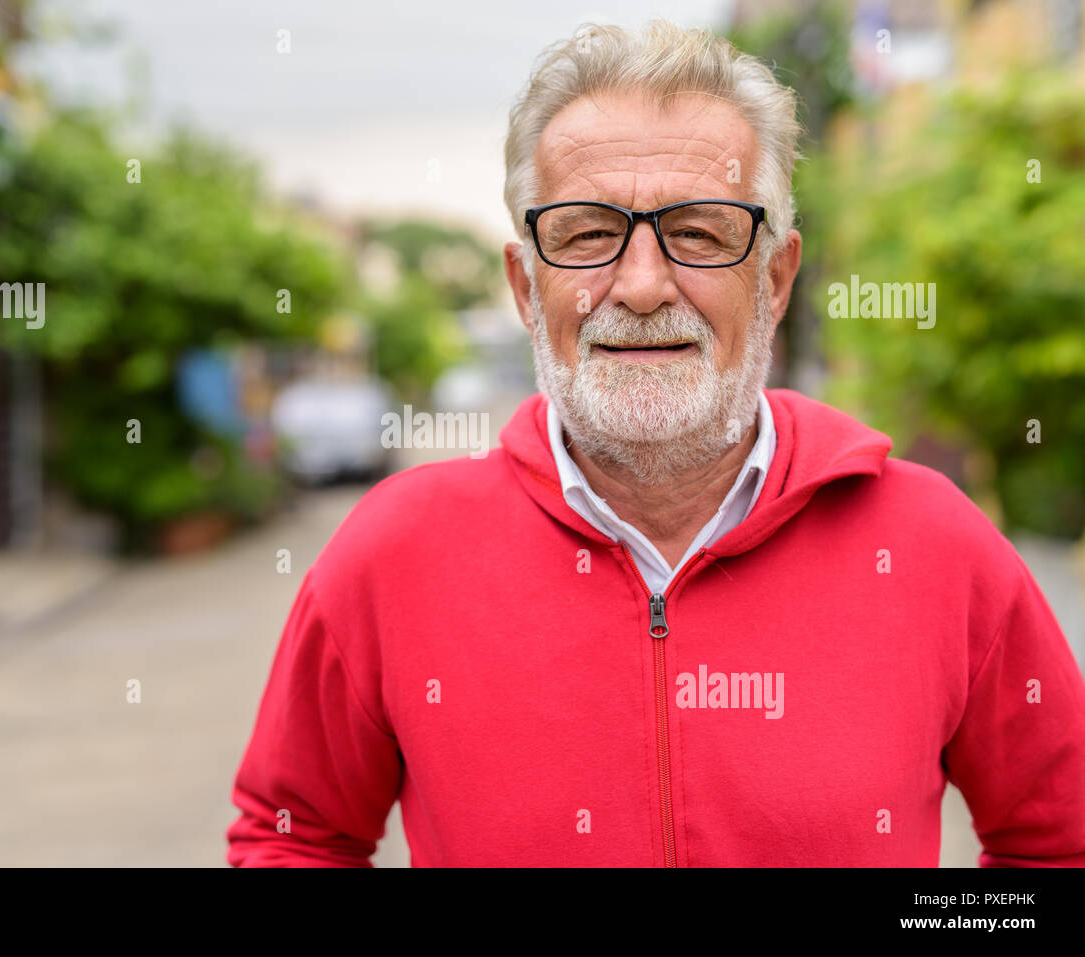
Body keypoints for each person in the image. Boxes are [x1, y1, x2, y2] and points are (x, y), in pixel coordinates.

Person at [227, 20, 1085, 866]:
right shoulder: (394, 553)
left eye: (703, 232)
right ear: (527, 286)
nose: (640, 286)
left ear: (775, 280)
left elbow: (1061, 842)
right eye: (588, 233)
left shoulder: (932, 543)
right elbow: (292, 835)